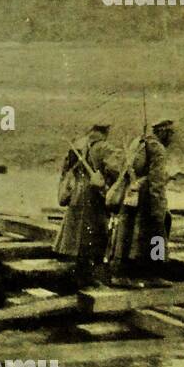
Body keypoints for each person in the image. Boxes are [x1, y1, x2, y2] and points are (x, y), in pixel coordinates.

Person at [107, 118, 176, 288]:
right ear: (163, 132)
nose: (172, 138)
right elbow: (157, 182)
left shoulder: (137, 143)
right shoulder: (158, 149)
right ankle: (155, 274)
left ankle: (121, 273)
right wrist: (159, 208)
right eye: (170, 133)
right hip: (147, 198)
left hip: (132, 192)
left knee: (127, 233)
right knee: (158, 233)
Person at [52, 123, 120, 287]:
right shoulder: (104, 148)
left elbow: (65, 171)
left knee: (78, 236)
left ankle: (79, 276)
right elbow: (116, 170)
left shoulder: (77, 145)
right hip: (94, 198)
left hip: (77, 195)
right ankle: (91, 278)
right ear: (106, 131)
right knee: (97, 235)